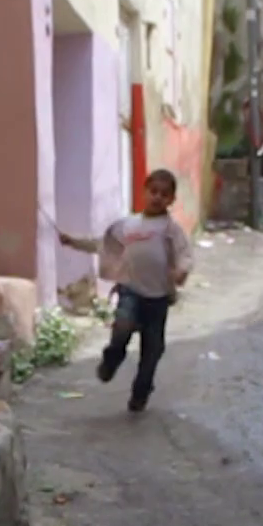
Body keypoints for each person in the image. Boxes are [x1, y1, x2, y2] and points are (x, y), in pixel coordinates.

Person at [59, 169, 195, 413]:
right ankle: (112, 358)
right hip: (130, 290)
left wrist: (181, 271)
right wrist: (74, 242)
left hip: (158, 299)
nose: (157, 197)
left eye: (164, 194)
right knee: (122, 326)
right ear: (144, 192)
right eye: (153, 191)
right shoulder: (128, 225)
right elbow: (103, 245)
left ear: (172, 200)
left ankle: (141, 392)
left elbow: (185, 254)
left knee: (152, 350)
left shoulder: (171, 230)